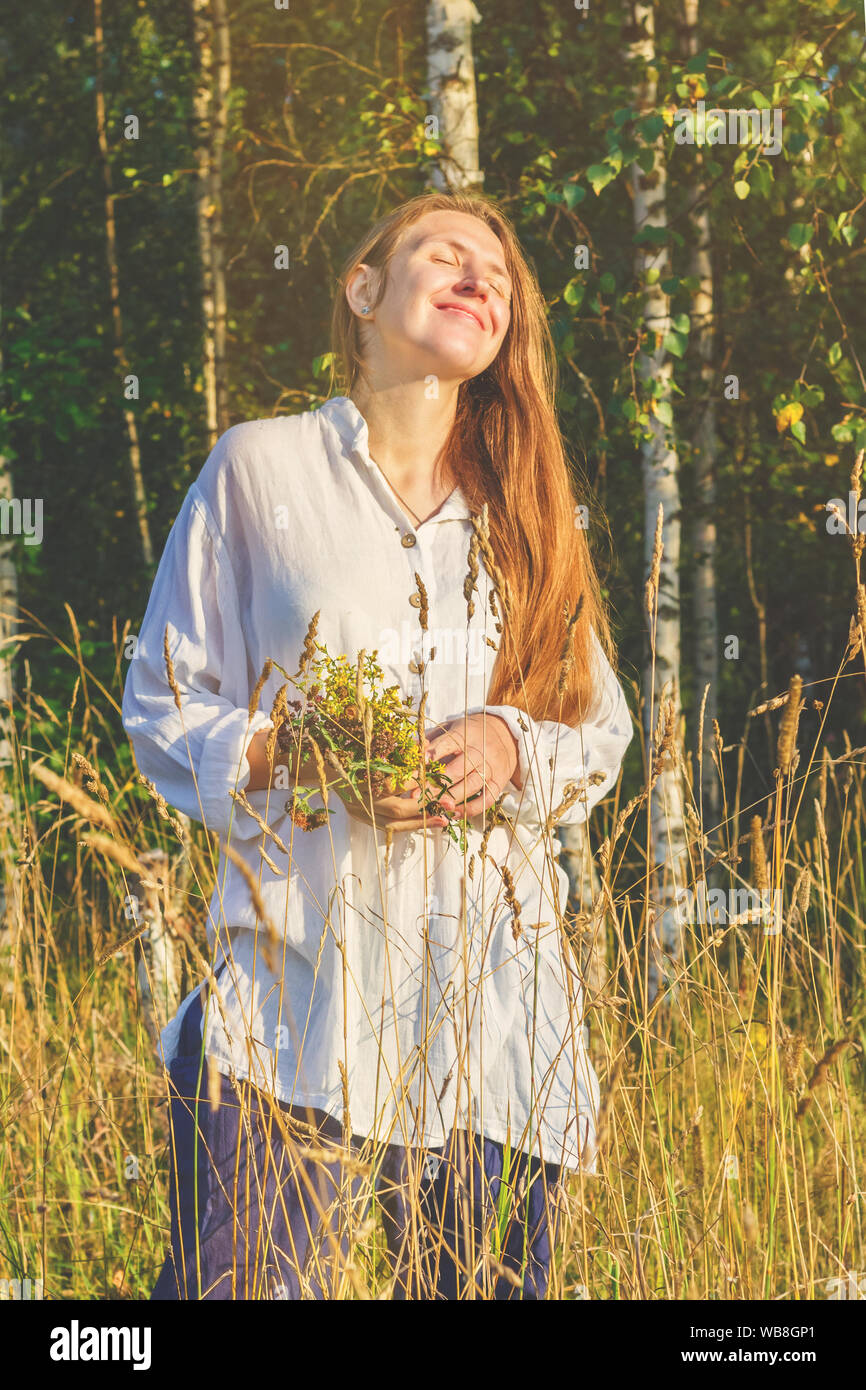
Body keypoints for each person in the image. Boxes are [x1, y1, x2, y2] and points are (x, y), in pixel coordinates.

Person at [122, 190, 633, 1300]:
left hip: (494, 1016)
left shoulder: (530, 509)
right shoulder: (259, 470)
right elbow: (160, 706)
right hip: (287, 1005)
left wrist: (505, 744)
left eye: (499, 277)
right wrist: (302, 754)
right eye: (446, 254)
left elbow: (598, 731)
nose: (480, 280)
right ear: (362, 289)